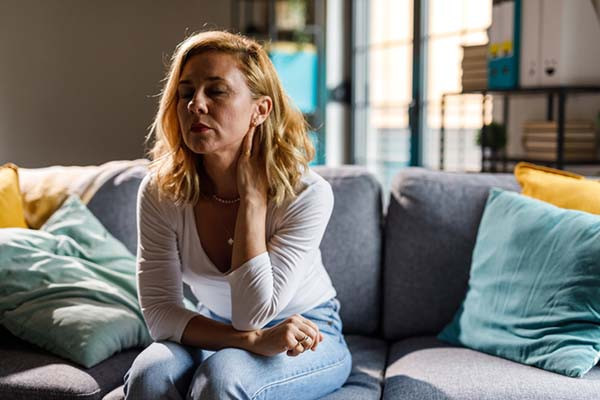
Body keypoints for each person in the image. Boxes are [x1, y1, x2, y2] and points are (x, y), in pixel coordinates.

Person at [123, 30, 352, 400]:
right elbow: (161, 314)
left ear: (260, 110)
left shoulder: (307, 194)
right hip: (213, 324)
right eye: (185, 93)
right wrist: (251, 340)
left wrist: (253, 199)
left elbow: (252, 314)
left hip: (307, 332)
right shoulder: (160, 191)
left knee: (222, 376)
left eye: (216, 91)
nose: (195, 104)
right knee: (150, 374)